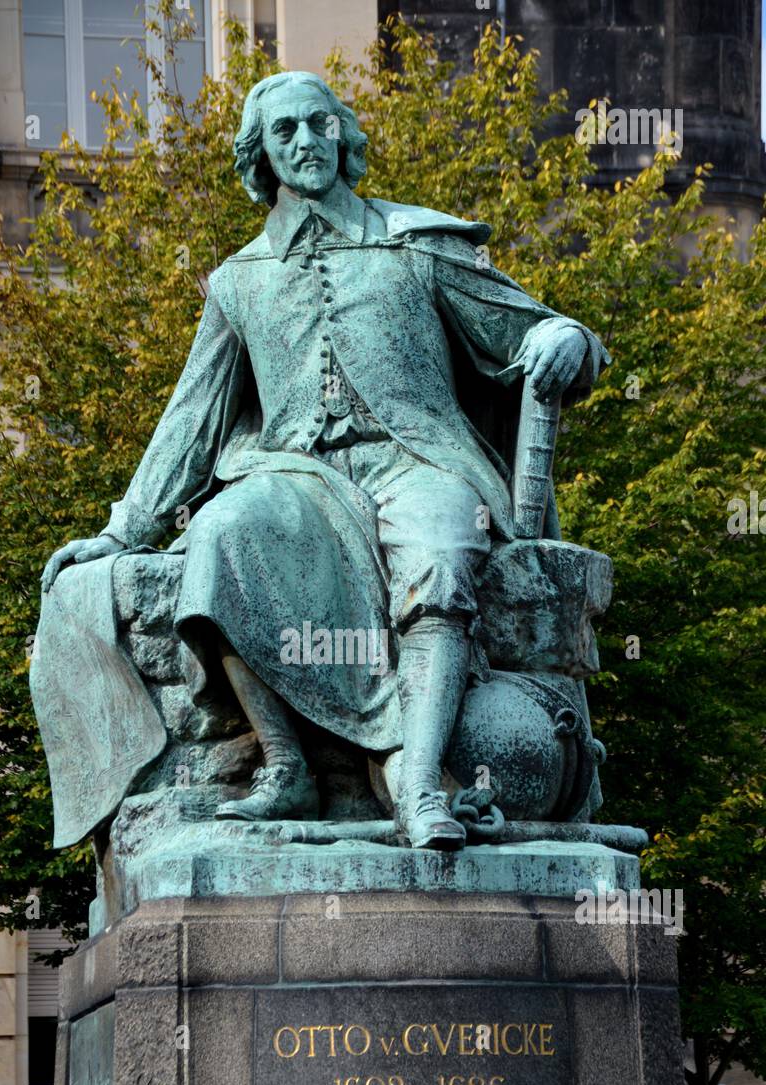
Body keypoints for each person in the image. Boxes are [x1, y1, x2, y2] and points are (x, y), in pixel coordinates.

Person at [41, 72, 607, 850]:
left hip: (418, 461)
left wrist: (563, 339)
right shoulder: (238, 281)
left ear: (342, 134)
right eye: (285, 133)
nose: (305, 143)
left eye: (318, 124)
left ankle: (417, 789)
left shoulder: (414, 245)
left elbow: (540, 332)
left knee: (440, 559)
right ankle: (285, 766)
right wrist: (121, 531)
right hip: (296, 474)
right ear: (263, 157)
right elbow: (192, 416)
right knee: (221, 534)